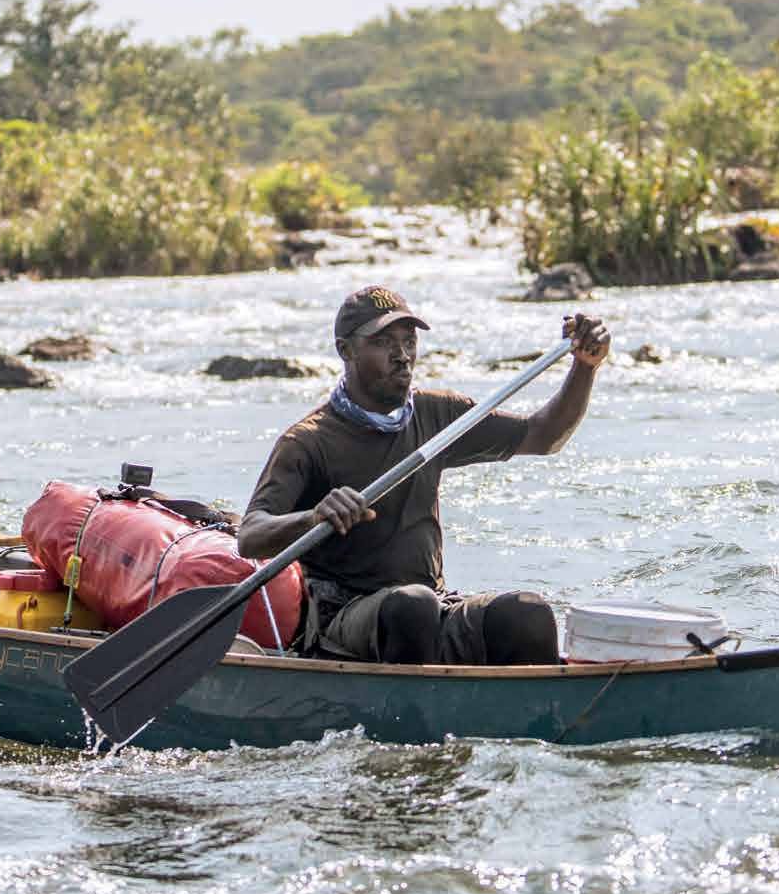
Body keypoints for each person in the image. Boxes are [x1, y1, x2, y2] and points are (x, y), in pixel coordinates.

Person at [236, 284, 611, 665]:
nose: (402, 356)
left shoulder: (438, 415)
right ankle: (415, 719)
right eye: (383, 342)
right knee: (411, 607)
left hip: (434, 607)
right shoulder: (307, 441)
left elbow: (543, 436)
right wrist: (314, 516)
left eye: (409, 341)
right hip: (344, 620)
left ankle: (530, 721)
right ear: (345, 350)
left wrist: (585, 367)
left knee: (527, 614)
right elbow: (250, 536)